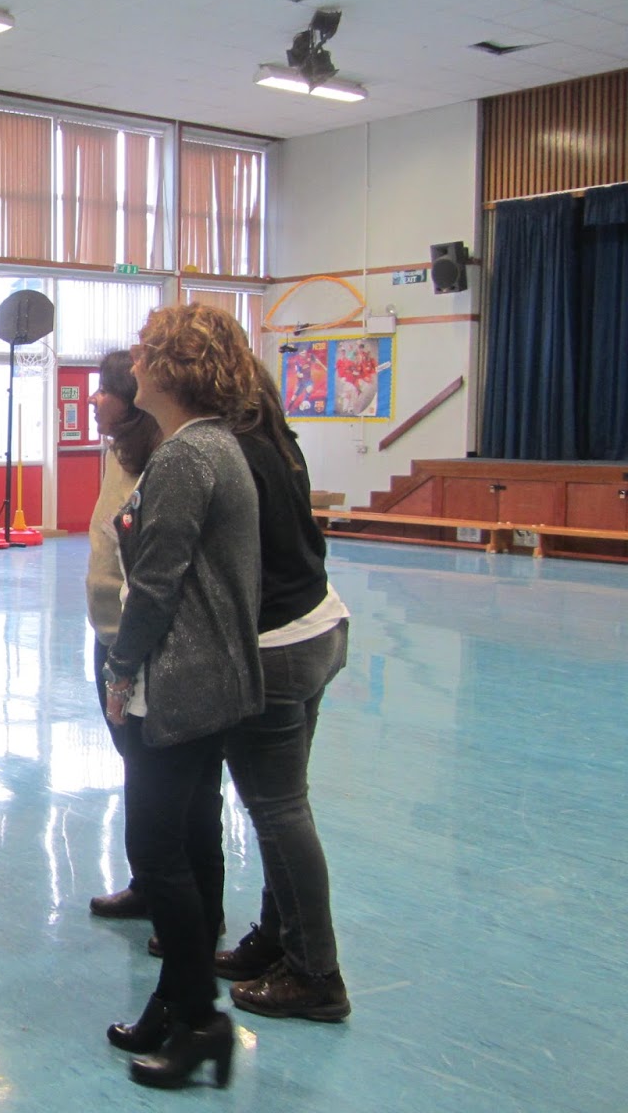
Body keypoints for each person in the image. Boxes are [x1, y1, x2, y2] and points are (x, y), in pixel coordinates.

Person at [102, 303, 261, 1090]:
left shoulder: (185, 459)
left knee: (157, 849)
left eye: (147, 350)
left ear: (172, 369)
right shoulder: (213, 447)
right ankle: (173, 1000)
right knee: (191, 842)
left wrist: (119, 671)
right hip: (215, 680)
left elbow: (156, 585)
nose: (135, 359)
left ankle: (201, 1019)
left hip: (182, 681)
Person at [215, 363, 352, 1021]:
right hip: (318, 624)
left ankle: (314, 971)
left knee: (278, 808)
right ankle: (278, 939)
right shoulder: (276, 439)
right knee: (280, 805)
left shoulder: (235, 451)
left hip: (277, 644)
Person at [85, 350, 163, 918]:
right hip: (108, 631)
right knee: (133, 763)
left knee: (156, 767)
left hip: (141, 641)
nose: (92, 400)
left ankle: (173, 896)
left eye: (102, 392)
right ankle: (148, 881)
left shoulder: (161, 460)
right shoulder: (117, 452)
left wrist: (127, 659)